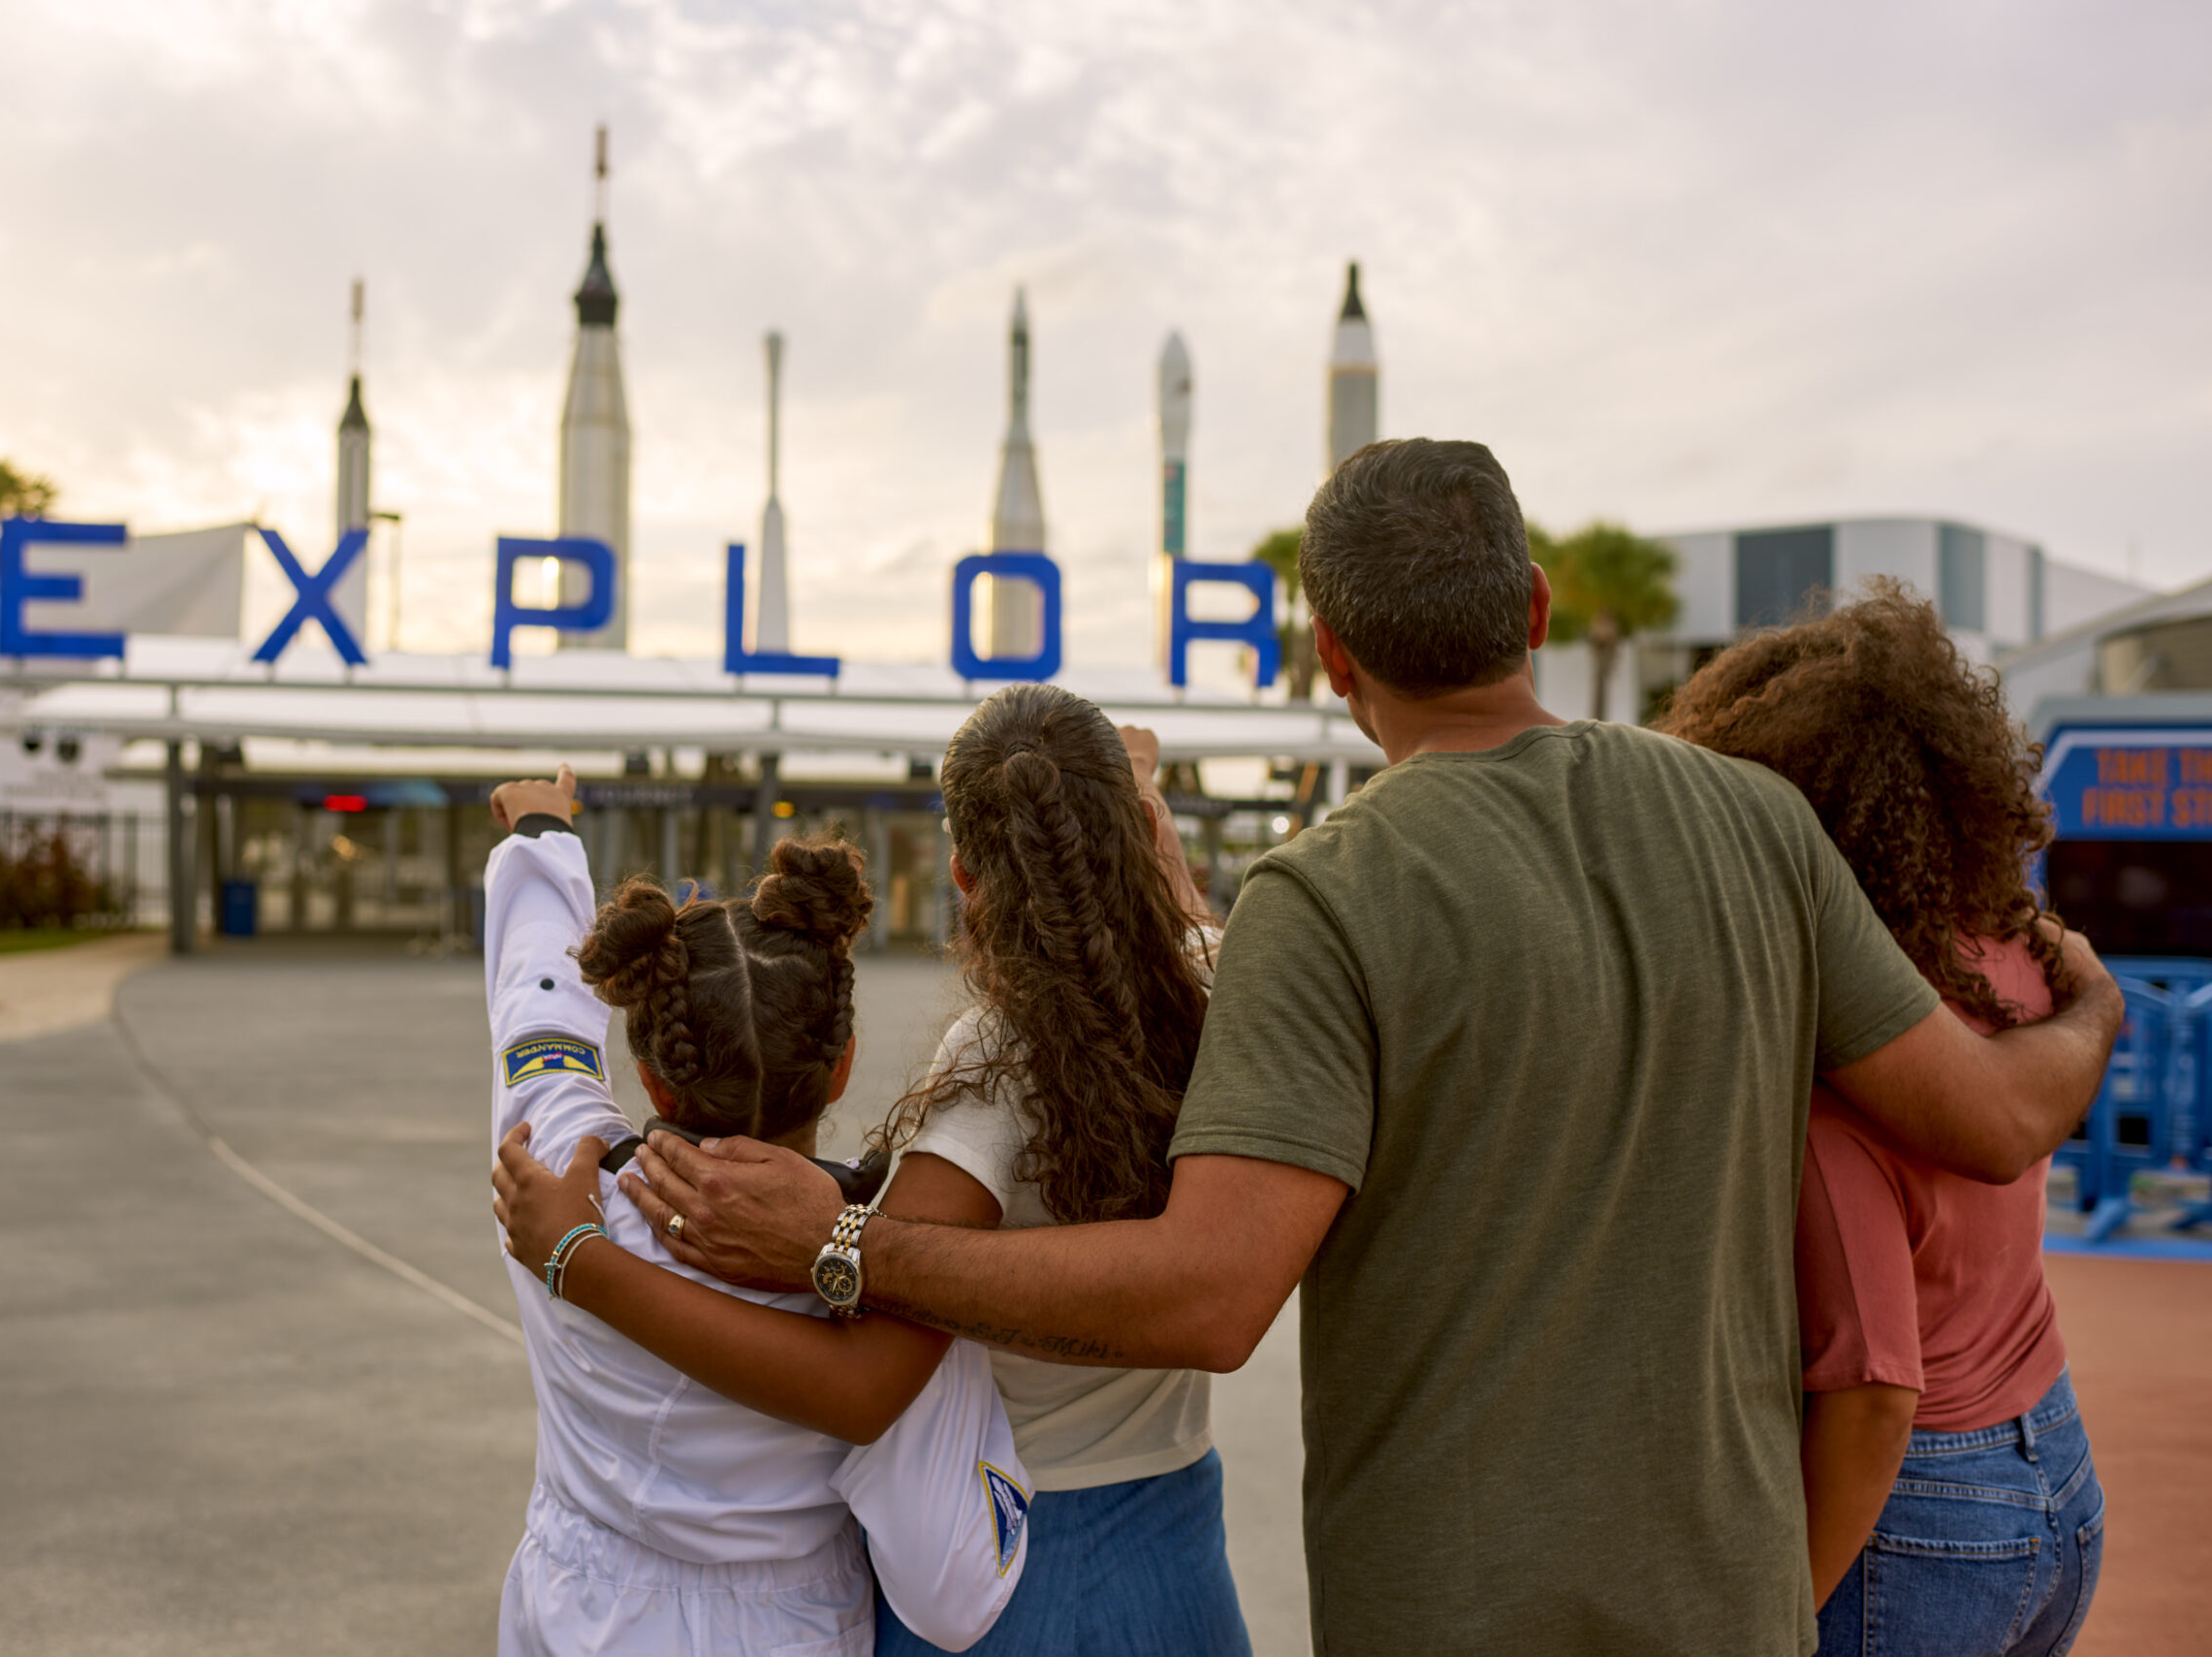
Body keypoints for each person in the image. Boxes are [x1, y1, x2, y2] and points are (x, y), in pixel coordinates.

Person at [505, 437, 2129, 1657]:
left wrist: (851, 1240)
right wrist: (2092, 1016)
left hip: (1454, 1601)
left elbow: (1211, 1293)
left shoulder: (1330, 894)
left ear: (1331, 657)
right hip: (1728, 1584)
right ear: (1542, 609)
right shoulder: (1760, 823)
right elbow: (1989, 1121)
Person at [495, 687, 1251, 1655]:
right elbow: (1180, 921)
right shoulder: (1219, 982)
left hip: (1009, 1553)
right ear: (1141, 830)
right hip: (1173, 1533)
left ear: (963, 874)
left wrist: (580, 1259)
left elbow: (864, 1384)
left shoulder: (995, 1061)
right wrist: (1132, 794)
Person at [478, 771, 1030, 1657]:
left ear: (652, 1073)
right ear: (843, 1064)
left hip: (567, 1609)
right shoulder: (875, 1277)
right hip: (784, 1631)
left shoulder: (551, 1178)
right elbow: (950, 1590)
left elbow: (536, 1006)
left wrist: (544, 832)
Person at [1658, 581, 2106, 1656]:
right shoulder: (2009, 958)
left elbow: (1872, 1392)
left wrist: (1769, 1623)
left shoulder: (1833, 1086)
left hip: (1921, 1520)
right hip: (2056, 1463)